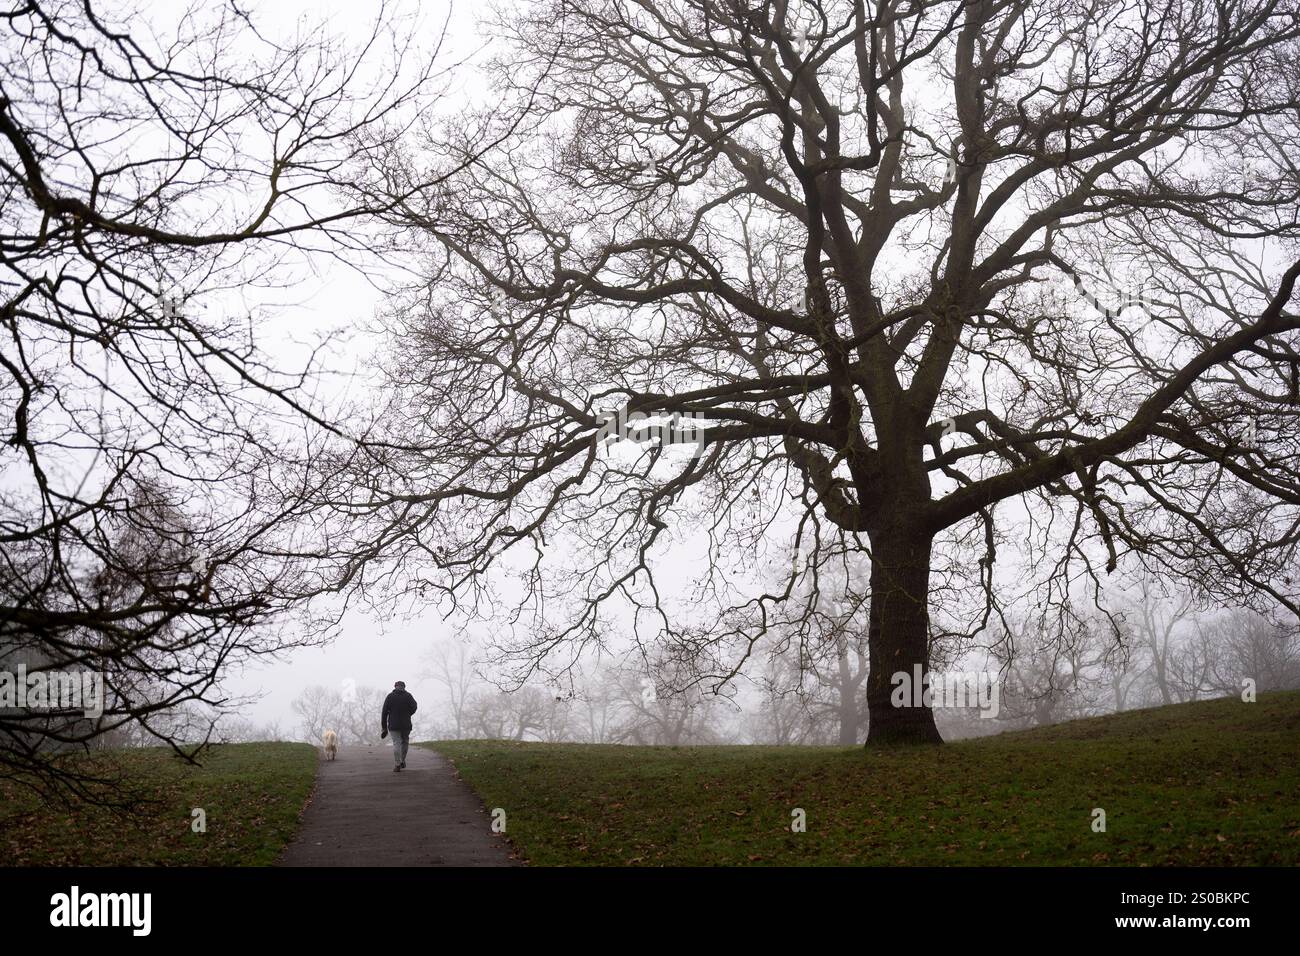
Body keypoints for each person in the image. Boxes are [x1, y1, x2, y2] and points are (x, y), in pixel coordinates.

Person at [380, 680, 418, 772]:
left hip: (393, 725)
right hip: (406, 724)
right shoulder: (408, 696)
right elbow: (415, 706)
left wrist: (384, 727)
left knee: (396, 743)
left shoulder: (390, 697)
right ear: (404, 687)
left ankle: (397, 764)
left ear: (395, 687)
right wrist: (408, 713)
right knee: (404, 742)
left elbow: (384, 713)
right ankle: (402, 761)